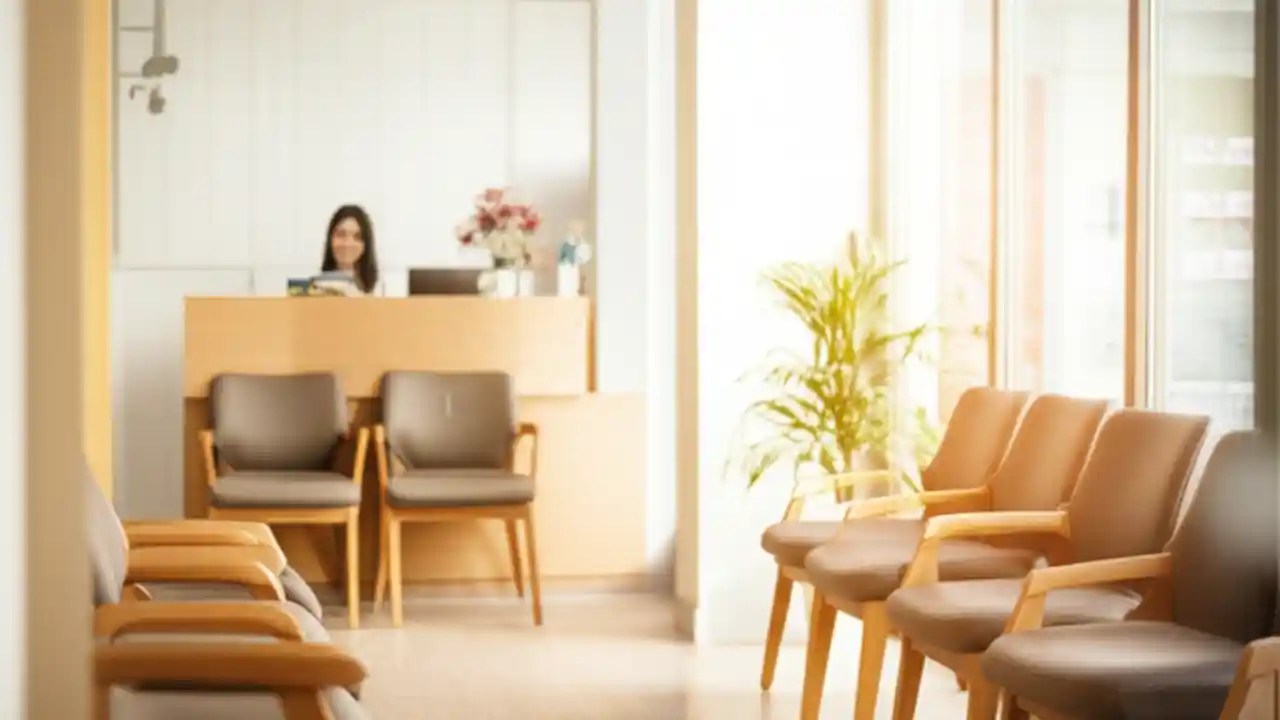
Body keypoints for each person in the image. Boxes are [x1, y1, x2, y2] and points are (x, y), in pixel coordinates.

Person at [319, 204, 380, 295]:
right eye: (341, 234)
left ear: (366, 244)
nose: (347, 243)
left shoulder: (378, 290)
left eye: (357, 237)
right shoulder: (316, 288)